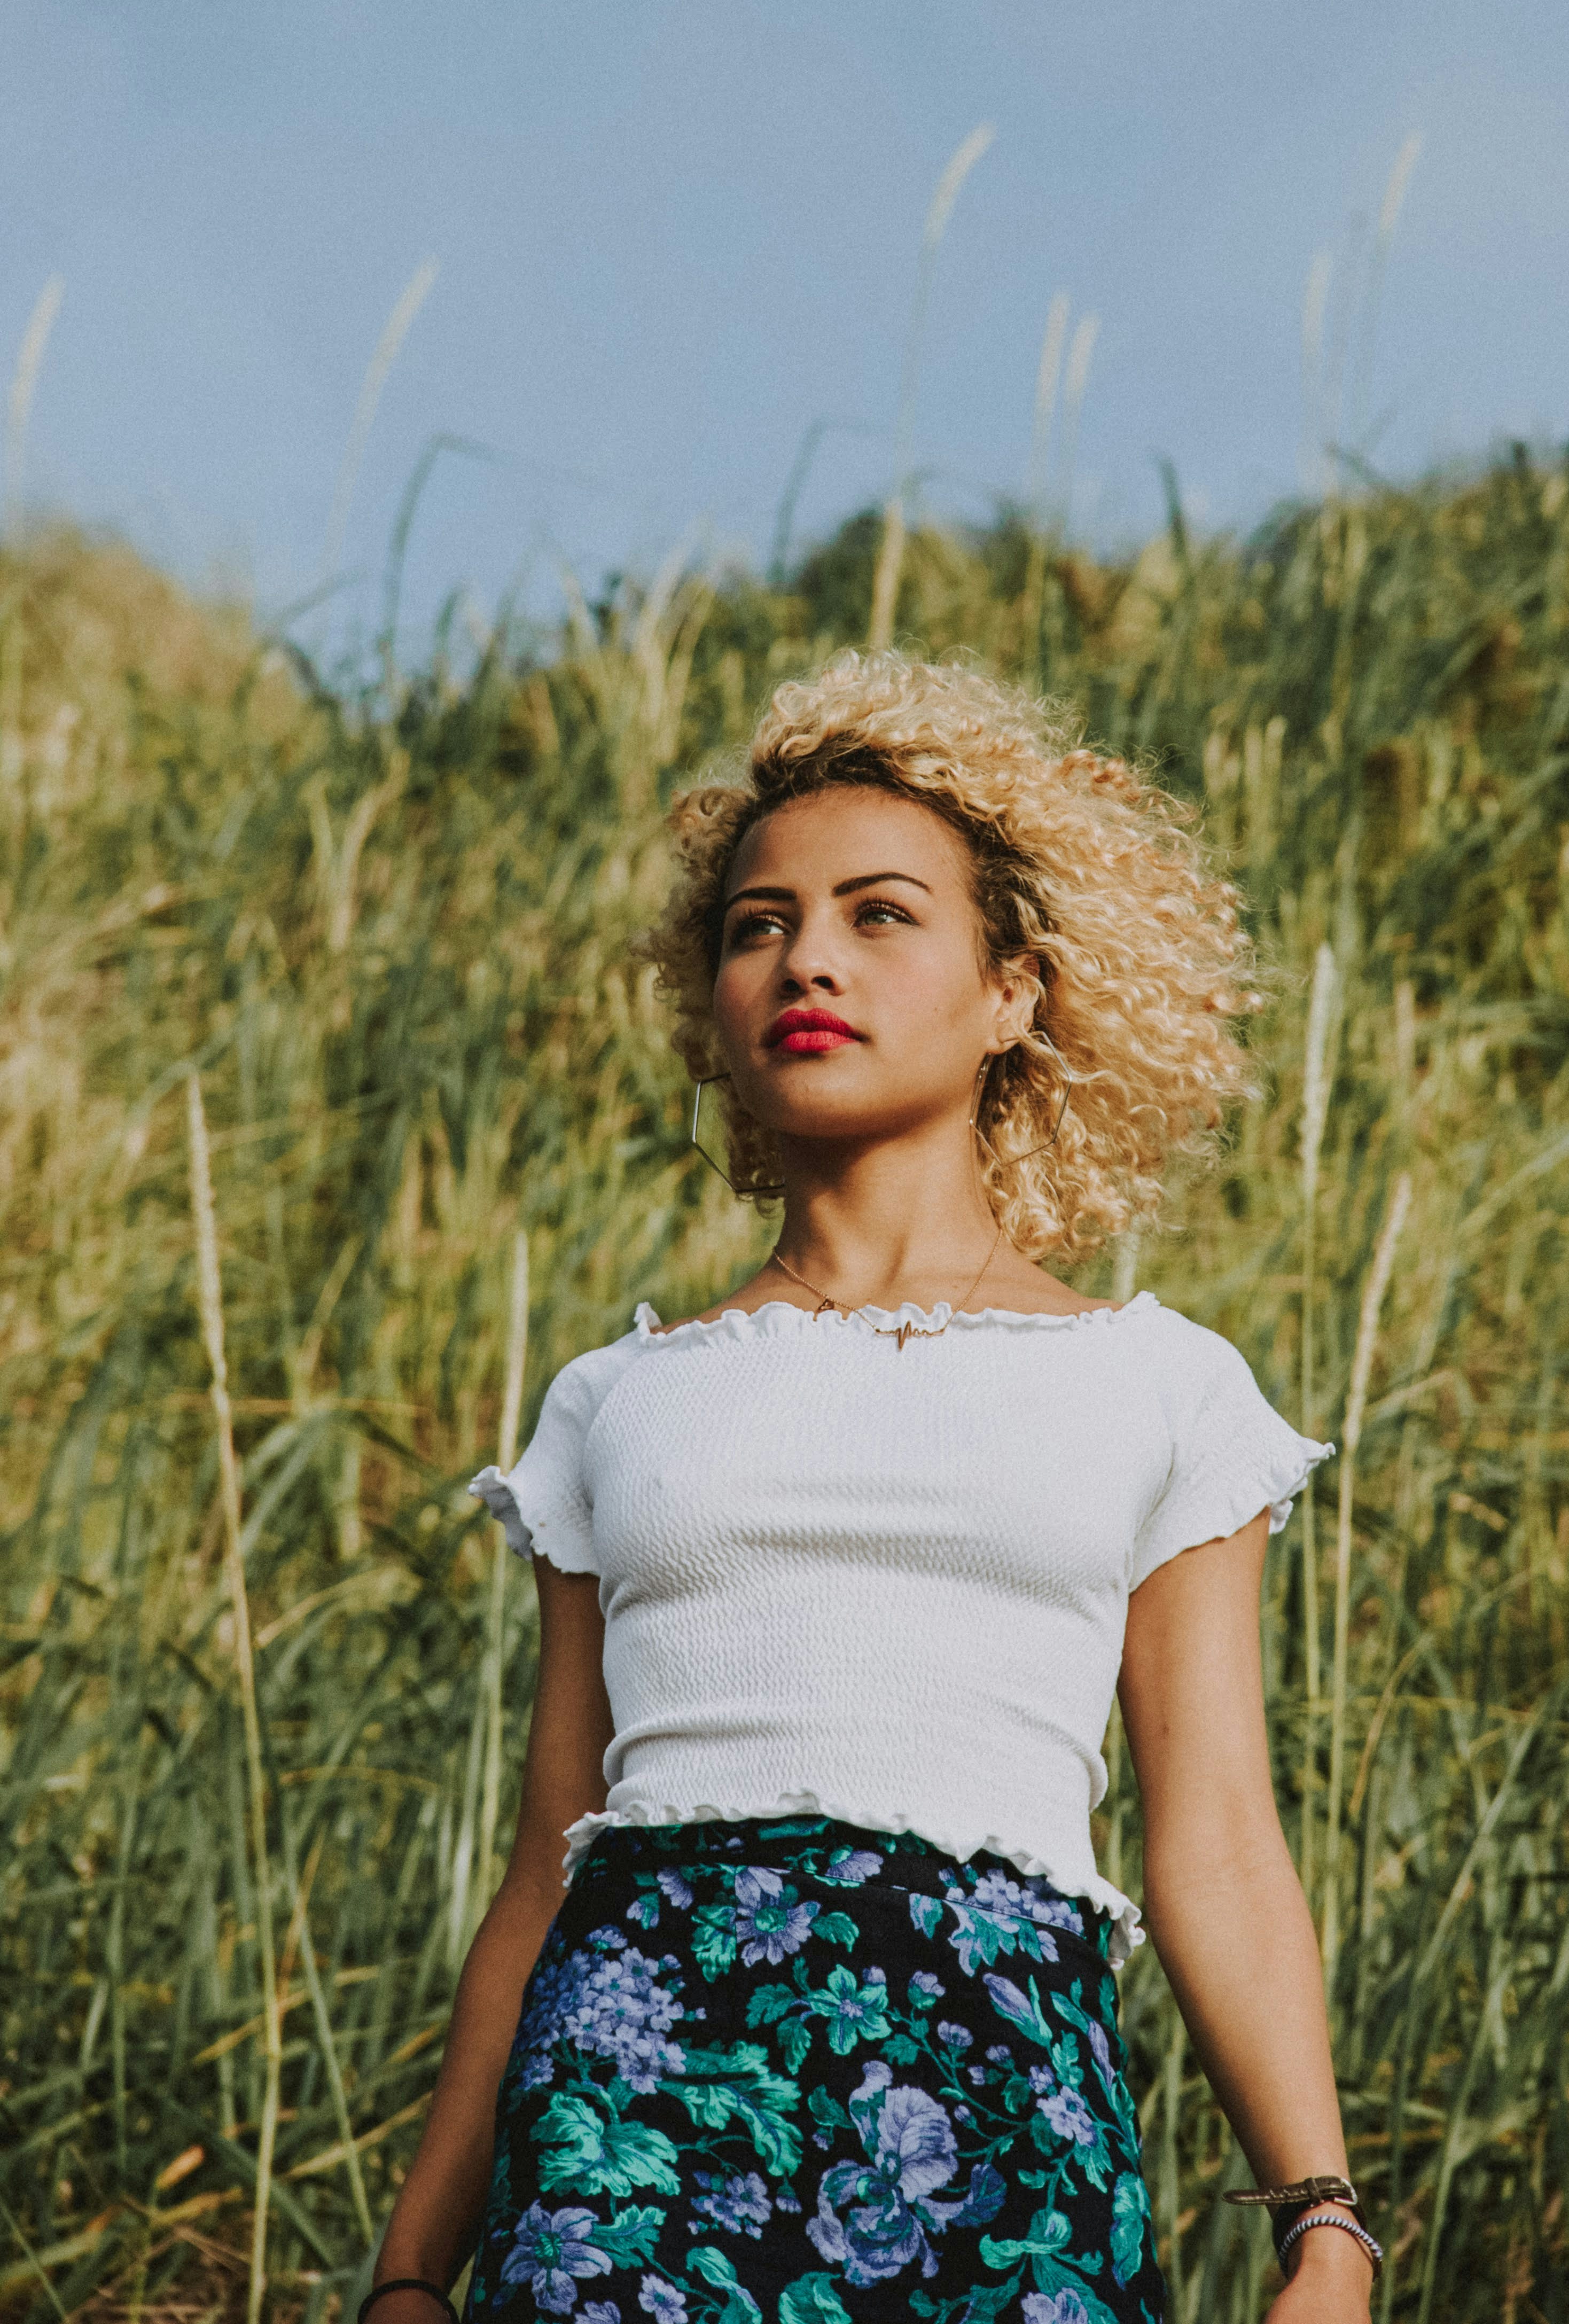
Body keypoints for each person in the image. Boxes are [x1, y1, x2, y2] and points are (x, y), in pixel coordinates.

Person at [363, 656, 1378, 2324]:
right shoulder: (621, 1399)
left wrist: (1321, 2225)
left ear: (1011, 992)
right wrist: (412, 2270)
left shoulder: (1157, 1382)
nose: (807, 956)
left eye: (879, 913)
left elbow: (1215, 1839)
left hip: (999, 2090)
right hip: (633, 2098)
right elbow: (548, 1853)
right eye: (756, 924)